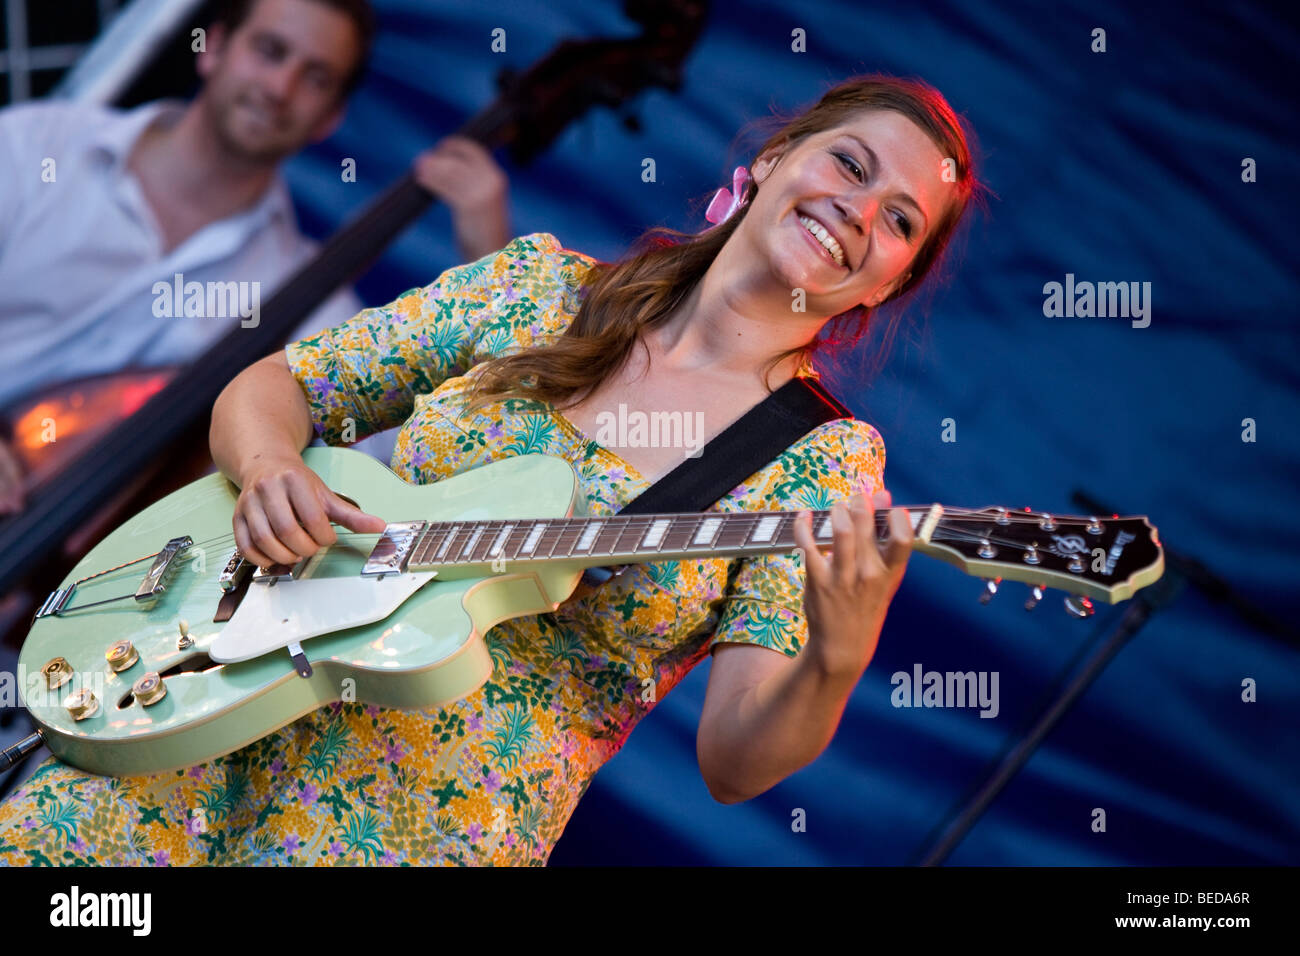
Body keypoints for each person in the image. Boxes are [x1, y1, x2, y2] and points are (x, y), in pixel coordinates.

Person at [0, 74, 982, 866]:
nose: (857, 212)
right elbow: (278, 384)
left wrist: (836, 657)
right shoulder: (539, 286)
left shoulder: (820, 462)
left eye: (899, 221)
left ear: (891, 279)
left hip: (421, 825)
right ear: (774, 159)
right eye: (848, 164)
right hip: (217, 681)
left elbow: (733, 759)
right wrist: (265, 469)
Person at [0, 0, 512, 513]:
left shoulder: (315, 306)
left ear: (330, 118)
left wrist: (494, 263)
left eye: (315, 78)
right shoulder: (33, 150)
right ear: (213, 48)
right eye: (270, 51)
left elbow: (395, 473)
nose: (279, 88)